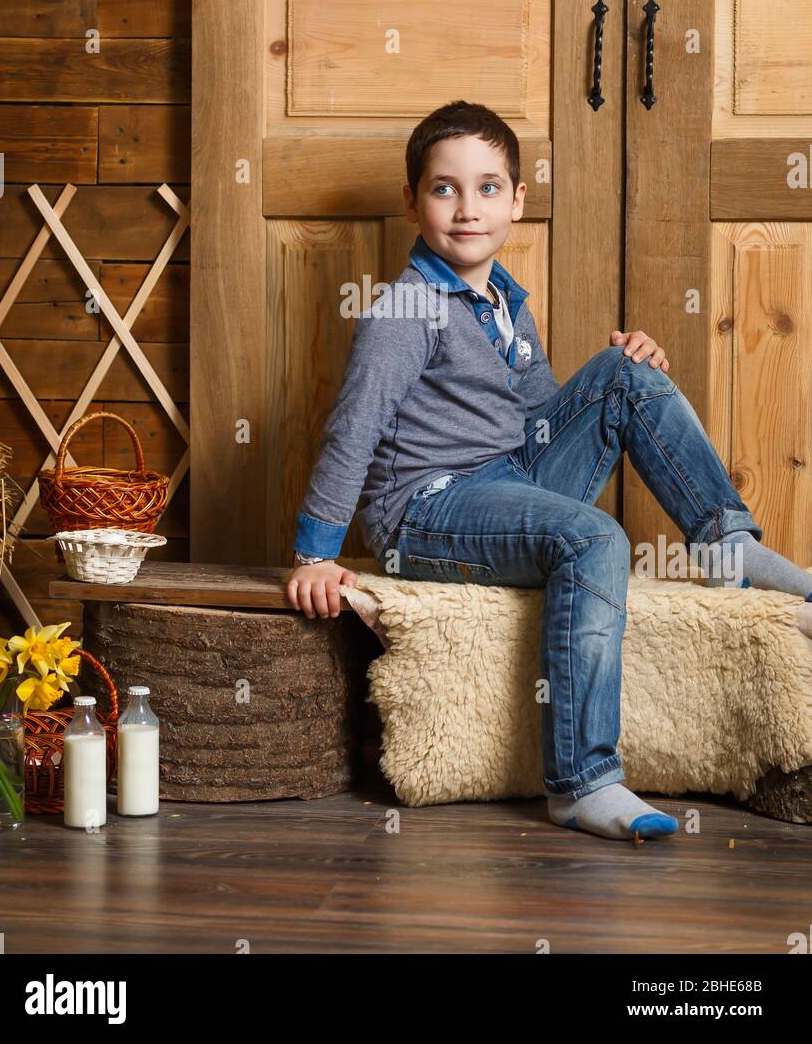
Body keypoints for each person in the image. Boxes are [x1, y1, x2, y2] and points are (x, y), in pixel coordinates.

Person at [285, 100, 812, 841]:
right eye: (444, 189)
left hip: (504, 480)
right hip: (427, 510)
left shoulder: (506, 305)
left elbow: (535, 421)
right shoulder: (405, 309)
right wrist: (314, 552)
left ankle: (726, 544)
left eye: (488, 188)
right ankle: (579, 780)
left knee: (623, 369)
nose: (467, 209)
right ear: (412, 201)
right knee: (594, 538)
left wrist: (622, 378)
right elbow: (354, 427)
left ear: (518, 201)